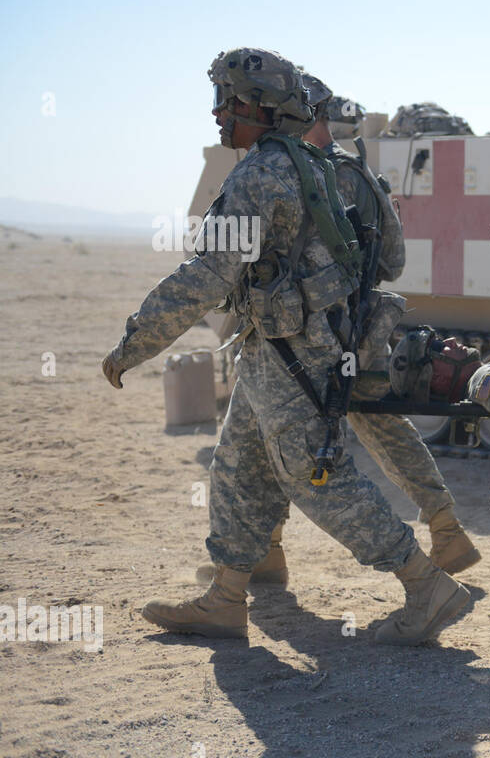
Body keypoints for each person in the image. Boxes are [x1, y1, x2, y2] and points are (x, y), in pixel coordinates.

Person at [102, 47, 468, 646]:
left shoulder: (258, 176)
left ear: (263, 107)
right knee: (237, 465)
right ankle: (225, 598)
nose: (219, 113)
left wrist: (136, 342)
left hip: (293, 355)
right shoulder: (312, 165)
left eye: (230, 101)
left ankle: (425, 585)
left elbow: (209, 275)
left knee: (316, 479)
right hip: (278, 348)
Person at [193, 75, 480, 586]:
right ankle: (446, 529)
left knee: (267, 435)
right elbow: (393, 261)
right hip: (362, 331)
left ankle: (266, 553)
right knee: (382, 426)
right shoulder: (358, 173)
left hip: (299, 340)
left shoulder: (287, 174)